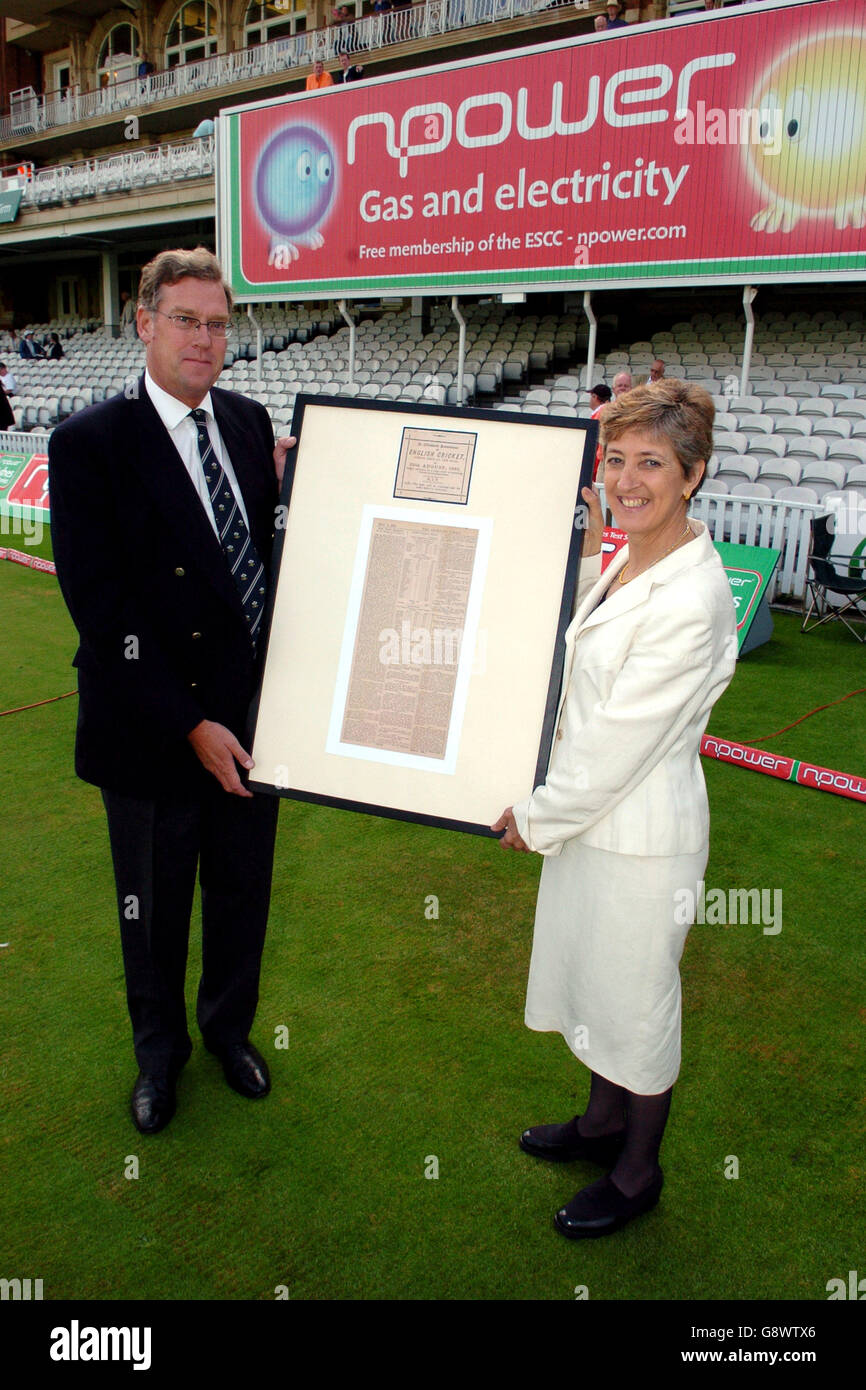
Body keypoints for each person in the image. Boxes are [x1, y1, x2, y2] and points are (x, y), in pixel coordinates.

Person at [49, 247, 294, 1137]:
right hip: (153, 729)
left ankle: (228, 1030)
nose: (205, 338)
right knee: (150, 909)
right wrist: (190, 722)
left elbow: (262, 563)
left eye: (219, 323)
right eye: (186, 320)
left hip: (255, 724)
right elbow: (101, 611)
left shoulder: (245, 419)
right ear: (145, 322)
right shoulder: (88, 444)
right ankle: (159, 1057)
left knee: (240, 893)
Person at [493, 380, 737, 1239]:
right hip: (594, 828)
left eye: (653, 464)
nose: (628, 479)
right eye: (619, 459)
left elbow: (616, 745)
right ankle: (600, 1126)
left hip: (641, 839)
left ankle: (638, 1173)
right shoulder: (634, 559)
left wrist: (536, 814)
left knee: (637, 1009)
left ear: (693, 475)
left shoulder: (692, 597)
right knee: (591, 984)